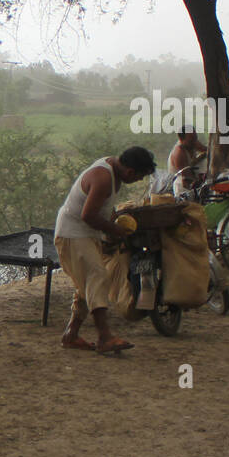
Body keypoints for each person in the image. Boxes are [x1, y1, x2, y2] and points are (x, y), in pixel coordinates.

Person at [53, 147, 157, 353]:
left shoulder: (112, 168)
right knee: (98, 276)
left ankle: (71, 335)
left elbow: (102, 209)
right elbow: (89, 215)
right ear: (130, 172)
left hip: (85, 234)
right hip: (72, 234)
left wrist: (112, 226)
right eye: (139, 177)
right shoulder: (103, 178)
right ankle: (104, 337)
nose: (137, 182)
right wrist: (116, 230)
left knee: (88, 285)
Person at [164, 126, 207, 197]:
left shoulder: (192, 142)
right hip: (181, 184)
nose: (195, 141)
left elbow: (207, 150)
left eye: (195, 137)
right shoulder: (179, 153)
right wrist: (204, 180)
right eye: (191, 139)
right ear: (181, 139)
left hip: (192, 175)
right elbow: (187, 179)